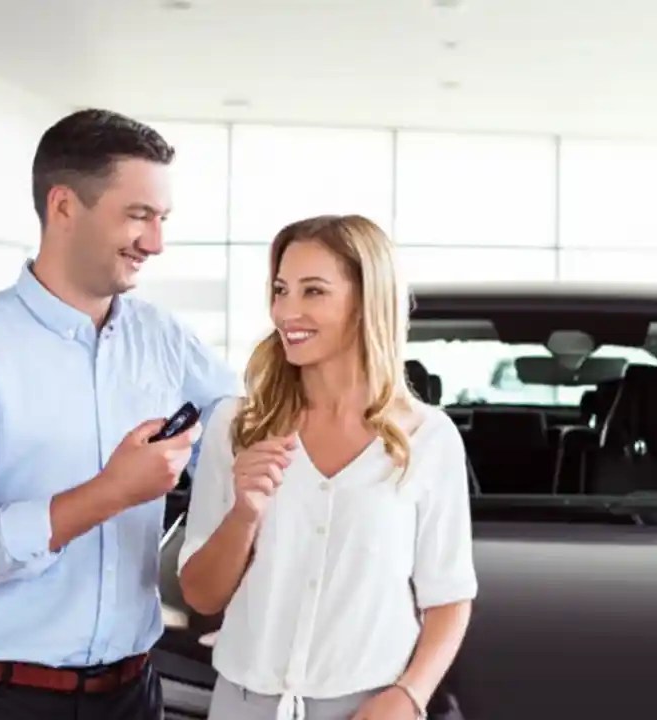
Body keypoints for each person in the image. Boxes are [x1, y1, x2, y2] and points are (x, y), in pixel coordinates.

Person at [0, 108, 239, 719]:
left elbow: (244, 432)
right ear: (62, 207)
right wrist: (108, 493)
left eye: (161, 219)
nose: (155, 242)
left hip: (134, 696)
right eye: (137, 216)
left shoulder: (162, 337)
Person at [176, 215, 478, 720]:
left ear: (366, 302)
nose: (286, 311)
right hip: (244, 705)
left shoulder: (427, 439)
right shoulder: (239, 425)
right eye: (280, 290)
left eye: (313, 291)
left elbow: (448, 596)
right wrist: (245, 513)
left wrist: (409, 696)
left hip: (368, 708)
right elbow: (202, 595)